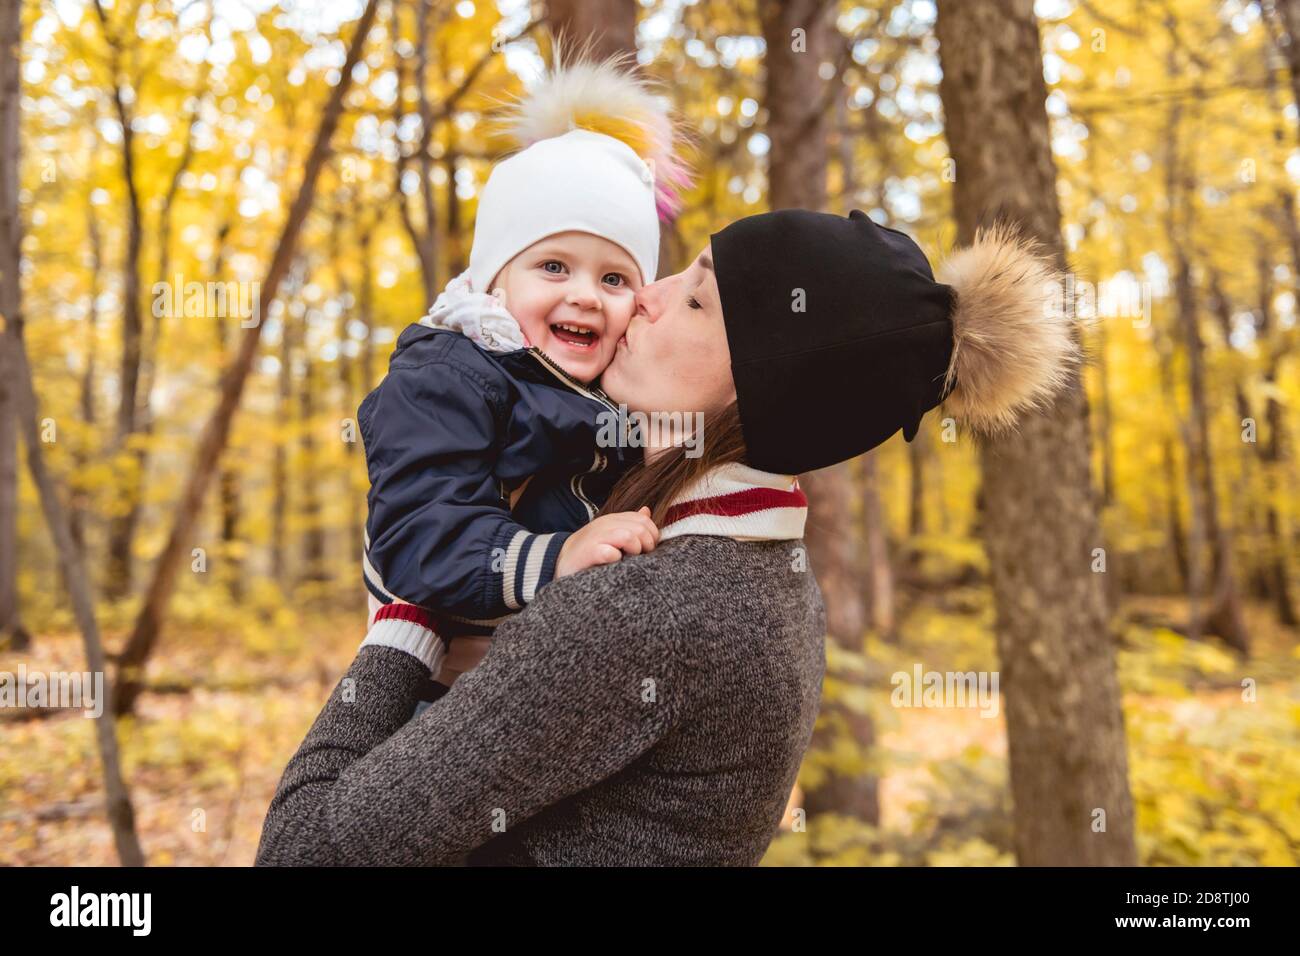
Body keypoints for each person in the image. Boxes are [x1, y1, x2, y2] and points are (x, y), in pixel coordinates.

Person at [256, 206, 1077, 866]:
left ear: (755, 391)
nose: (645, 291)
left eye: (694, 297)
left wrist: (408, 618)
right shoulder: (762, 570)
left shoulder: (642, 613)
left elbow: (301, 851)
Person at [357, 50, 691, 710]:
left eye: (615, 278)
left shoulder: (608, 390)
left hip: (542, 679)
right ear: (494, 282)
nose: (587, 296)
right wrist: (557, 556)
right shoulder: (448, 378)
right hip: (438, 689)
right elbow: (421, 536)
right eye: (554, 266)